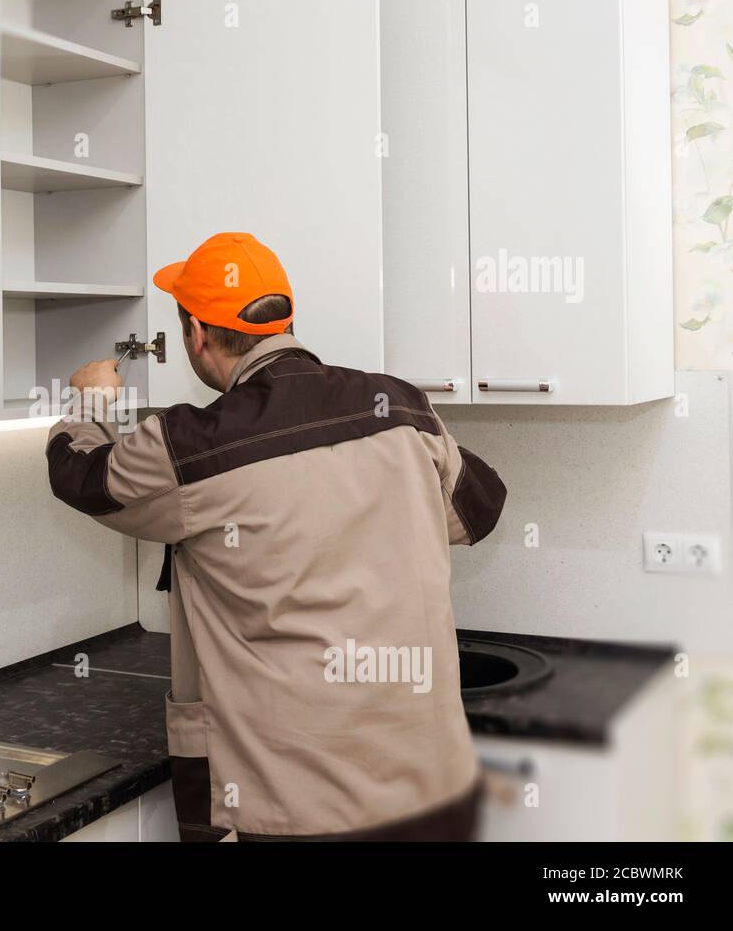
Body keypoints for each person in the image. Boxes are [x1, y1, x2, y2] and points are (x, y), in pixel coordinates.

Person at [45, 232, 507, 840]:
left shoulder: (191, 446)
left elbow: (81, 476)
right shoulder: (398, 405)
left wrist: (89, 404)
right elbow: (479, 508)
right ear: (284, 318)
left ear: (196, 334)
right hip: (425, 787)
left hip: (290, 800)